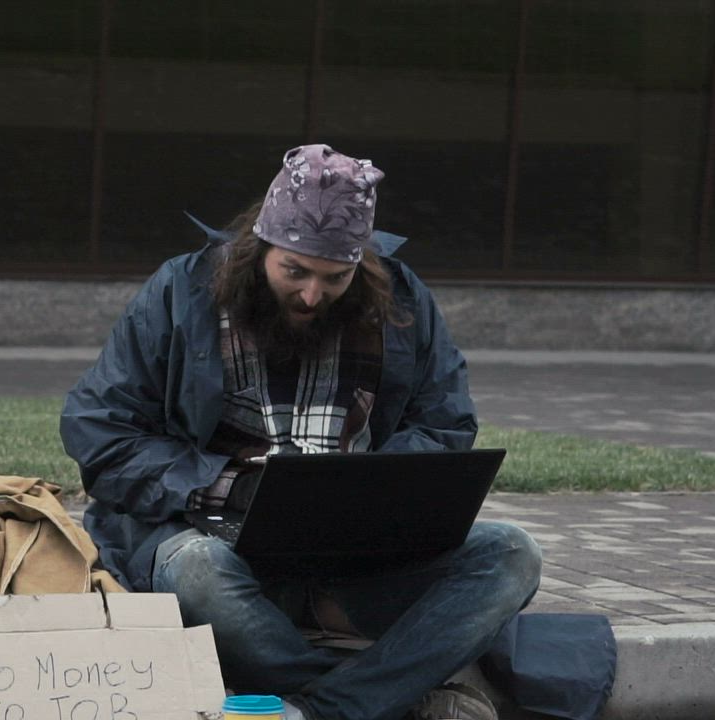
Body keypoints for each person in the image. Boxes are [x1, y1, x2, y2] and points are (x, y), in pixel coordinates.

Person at [61, 145, 574, 720]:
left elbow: (444, 422)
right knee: (199, 572)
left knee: (510, 552)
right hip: (210, 540)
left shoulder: (401, 299)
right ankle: (388, 700)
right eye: (295, 271)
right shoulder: (181, 293)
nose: (311, 294)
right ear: (259, 250)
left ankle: (318, 710)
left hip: (358, 557)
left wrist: (375, 485)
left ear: (362, 264)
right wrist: (226, 485)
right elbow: (99, 430)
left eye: (335, 277)